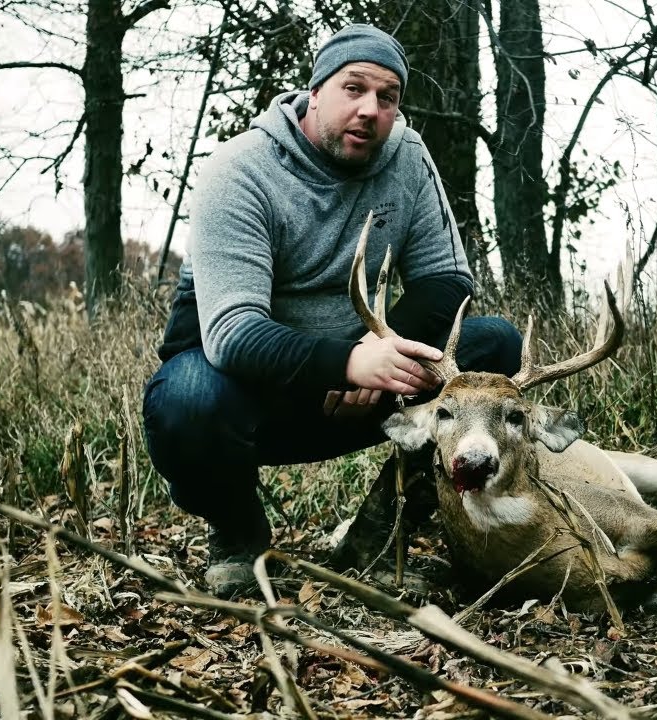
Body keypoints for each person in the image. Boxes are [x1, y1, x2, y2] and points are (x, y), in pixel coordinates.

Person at [142, 23, 522, 595]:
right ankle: (239, 536)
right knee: (187, 396)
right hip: (251, 400)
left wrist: (382, 352)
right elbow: (233, 333)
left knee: (493, 347)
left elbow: (450, 281)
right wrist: (346, 364)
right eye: (354, 88)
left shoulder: (407, 157)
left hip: (363, 389)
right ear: (315, 91)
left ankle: (382, 530)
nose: (370, 109)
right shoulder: (240, 169)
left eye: (388, 97)